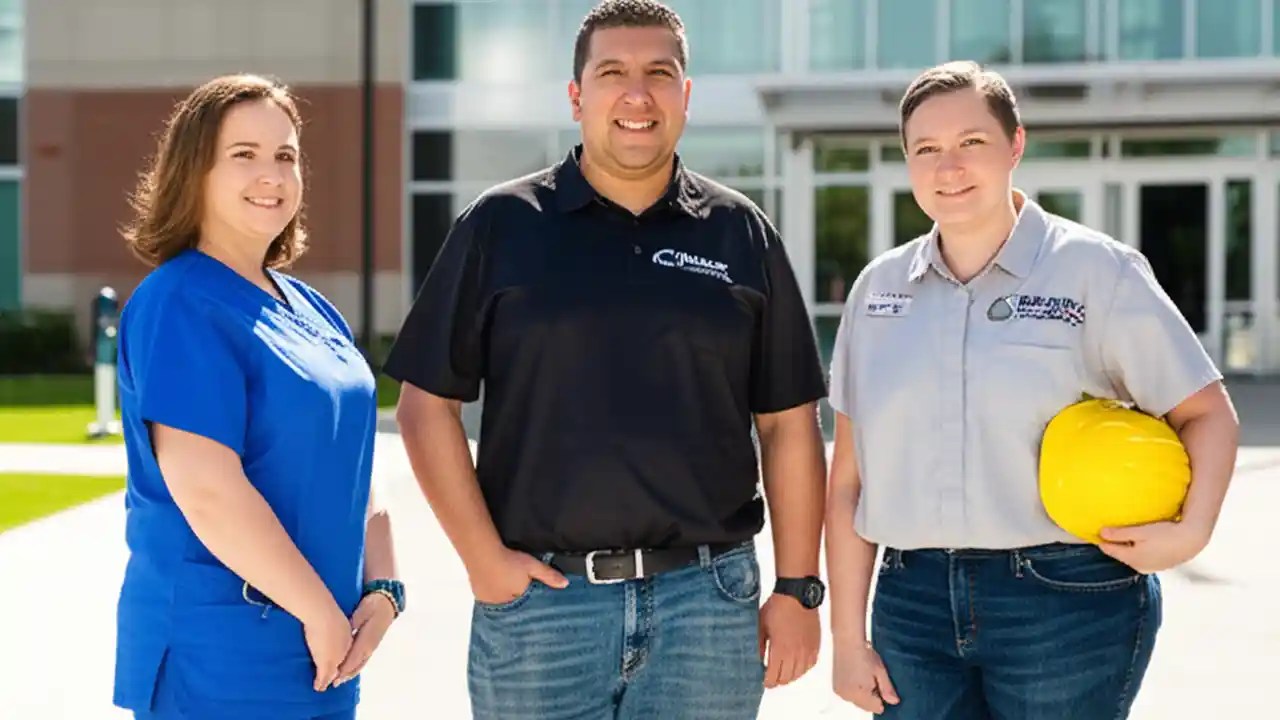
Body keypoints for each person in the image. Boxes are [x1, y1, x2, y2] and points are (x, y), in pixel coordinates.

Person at [382, 1, 828, 717]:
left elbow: (788, 424)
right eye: (613, 72)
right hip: (543, 609)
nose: (637, 94)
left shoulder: (741, 232)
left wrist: (799, 587)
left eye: (660, 73)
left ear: (686, 94)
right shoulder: (501, 225)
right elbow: (425, 404)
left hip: (708, 609)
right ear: (577, 95)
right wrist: (485, 564)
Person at [825, 60, 1240, 719]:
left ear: (1015, 145)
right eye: (925, 149)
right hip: (911, 605)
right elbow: (848, 479)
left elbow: (1207, 413)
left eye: (971, 143)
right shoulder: (878, 291)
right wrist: (846, 637)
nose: (948, 167)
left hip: (1065, 599)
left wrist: (1192, 532)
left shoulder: (1095, 271)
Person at [112, 74, 405, 720]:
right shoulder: (179, 302)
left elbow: (351, 458)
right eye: (243, 154)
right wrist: (318, 610)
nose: (271, 174)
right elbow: (207, 489)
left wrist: (382, 588)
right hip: (221, 653)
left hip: (323, 646)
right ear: (195, 172)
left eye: (286, 155)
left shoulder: (311, 307)